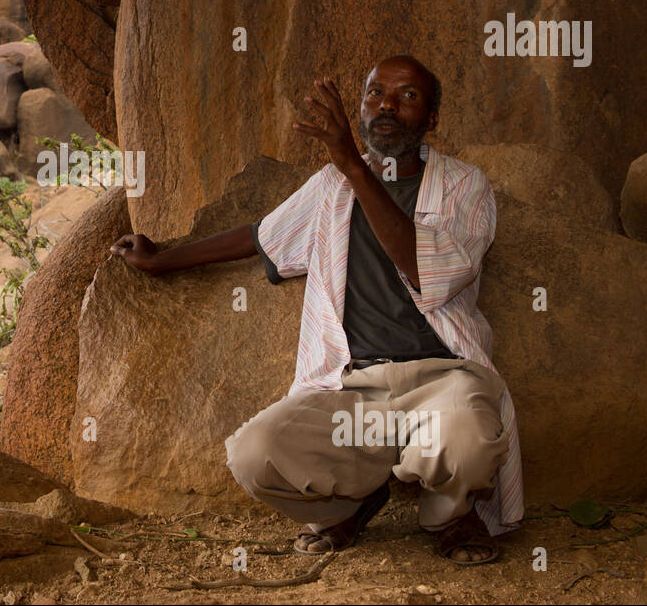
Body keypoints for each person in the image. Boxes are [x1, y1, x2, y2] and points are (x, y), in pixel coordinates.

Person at [109, 55, 522, 565]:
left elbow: (425, 271)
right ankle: (346, 504)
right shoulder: (331, 187)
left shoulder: (465, 187)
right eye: (375, 94)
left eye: (407, 96)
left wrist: (351, 162)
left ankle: (450, 515)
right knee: (255, 453)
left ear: (433, 118)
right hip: (354, 389)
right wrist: (162, 260)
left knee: (468, 440)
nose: (387, 105)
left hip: (443, 381)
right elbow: (260, 235)